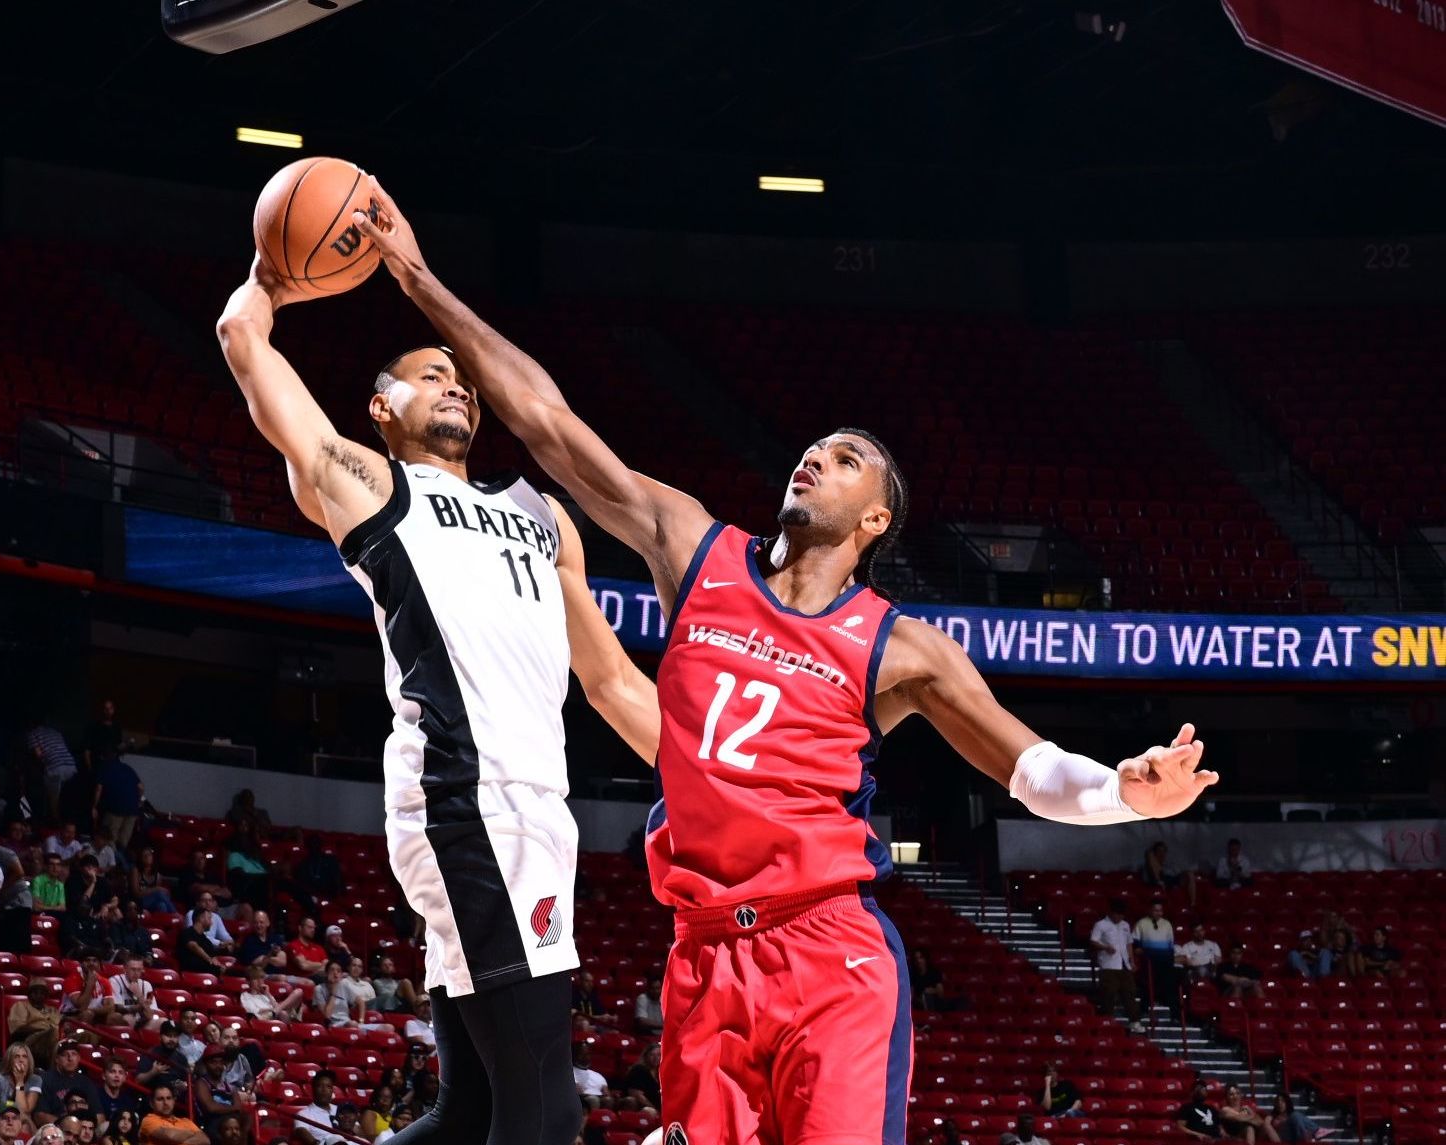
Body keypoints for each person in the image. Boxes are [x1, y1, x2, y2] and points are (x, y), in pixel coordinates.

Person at [348, 176, 1218, 1144]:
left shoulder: (901, 644)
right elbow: (550, 427)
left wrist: (1124, 793)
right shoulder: (694, 550)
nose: (814, 457)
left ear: (876, 516)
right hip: (702, 954)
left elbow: (1029, 770)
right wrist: (417, 277)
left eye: (844, 458)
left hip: (826, 948)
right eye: (812, 447)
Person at [218, 233, 666, 1145]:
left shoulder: (544, 514)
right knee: (547, 1113)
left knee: (469, 1114)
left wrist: (726, 782)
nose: (456, 382)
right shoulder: (368, 483)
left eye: (460, 376)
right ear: (382, 407)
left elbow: (614, 679)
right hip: (465, 800)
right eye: (430, 373)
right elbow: (241, 338)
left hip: (540, 808)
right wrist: (275, 273)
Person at [1091, 899, 1143, 1033]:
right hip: (1109, 965)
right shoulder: (1100, 925)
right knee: (1109, 993)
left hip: (1124, 964)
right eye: (1118, 915)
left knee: (1129, 992)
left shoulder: (1125, 925)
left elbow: (1129, 944)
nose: (1120, 918)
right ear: (1112, 913)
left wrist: (1131, 961)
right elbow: (1093, 940)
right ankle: (1107, 1020)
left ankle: (1134, 1021)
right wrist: (1105, 947)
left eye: (1122, 915)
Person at [1132, 899, 1179, 1019]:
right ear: (1150, 910)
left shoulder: (1167, 924)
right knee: (1147, 985)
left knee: (1169, 984)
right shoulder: (1141, 923)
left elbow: (1171, 944)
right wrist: (1139, 951)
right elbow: (1135, 943)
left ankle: (1172, 1012)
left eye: (1160, 910)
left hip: (1165, 961)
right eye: (1156, 910)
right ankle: (1144, 1009)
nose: (1158, 913)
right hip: (1148, 960)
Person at [90, 752, 142, 852]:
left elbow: (98, 788)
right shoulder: (128, 768)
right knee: (123, 841)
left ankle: (111, 862)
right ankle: (120, 863)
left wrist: (94, 806)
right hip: (132, 810)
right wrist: (138, 801)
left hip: (115, 810)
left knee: (109, 840)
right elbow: (140, 787)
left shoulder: (105, 769)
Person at [8, 982, 63, 1065]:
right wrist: (41, 1030)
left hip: (55, 1038)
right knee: (52, 1033)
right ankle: (53, 1068)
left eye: (42, 993)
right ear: (29, 994)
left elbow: (60, 1023)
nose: (39, 995)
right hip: (30, 1040)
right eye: (35, 992)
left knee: (86, 1035)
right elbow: (17, 1030)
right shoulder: (21, 1006)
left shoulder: (52, 1010)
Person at [137, 1083, 207, 1145]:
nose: (165, 1103)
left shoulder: (186, 1121)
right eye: (160, 1099)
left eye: (169, 1098)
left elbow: (205, 1140)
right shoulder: (148, 1120)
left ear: (174, 1101)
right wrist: (193, 1134)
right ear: (152, 1104)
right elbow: (170, 1136)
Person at [61, 954, 117, 1027]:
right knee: (87, 1014)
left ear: (99, 964)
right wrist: (90, 984)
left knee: (116, 1017)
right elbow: (81, 1007)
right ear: (81, 963)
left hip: (95, 1014)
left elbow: (111, 1008)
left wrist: (92, 1010)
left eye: (95, 961)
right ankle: (84, 1037)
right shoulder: (72, 979)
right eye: (87, 960)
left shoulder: (104, 981)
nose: (91, 963)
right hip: (71, 1015)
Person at [133, 1024, 189, 1096]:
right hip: (153, 1097)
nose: (172, 1039)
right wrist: (153, 1072)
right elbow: (138, 1080)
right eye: (168, 1036)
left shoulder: (182, 1058)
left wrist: (184, 1085)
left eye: (175, 1036)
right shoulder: (150, 1054)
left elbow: (187, 1082)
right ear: (160, 1037)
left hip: (175, 1099)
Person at [109, 956, 164, 1030]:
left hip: (143, 1021)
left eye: (139, 970)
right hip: (125, 1018)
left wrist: (140, 996)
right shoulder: (115, 981)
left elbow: (150, 1014)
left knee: (163, 1021)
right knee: (127, 1018)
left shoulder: (147, 985)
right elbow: (117, 1008)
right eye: (133, 969)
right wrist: (140, 1007)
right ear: (125, 968)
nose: (136, 973)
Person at [239, 964, 305, 1022]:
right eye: (255, 979)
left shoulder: (266, 995)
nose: (259, 981)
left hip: (276, 1016)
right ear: (248, 981)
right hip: (263, 1019)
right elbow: (254, 1011)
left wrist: (268, 994)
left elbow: (276, 1007)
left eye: (261, 978)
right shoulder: (245, 996)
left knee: (299, 991)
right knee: (282, 1013)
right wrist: (272, 1010)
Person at [0, 1044, 43, 1119]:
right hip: (3, 1120)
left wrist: (20, 1082)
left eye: (24, 1056)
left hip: (24, 1121)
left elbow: (24, 1111)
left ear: (29, 1061)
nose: (21, 1060)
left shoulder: (35, 1080)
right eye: (16, 1056)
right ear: (9, 1060)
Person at [293, 1071, 343, 1145]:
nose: (324, 1090)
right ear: (313, 1090)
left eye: (328, 1086)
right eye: (320, 1086)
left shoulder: (340, 1109)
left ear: (332, 1090)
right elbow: (301, 1130)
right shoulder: (304, 1114)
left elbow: (356, 1129)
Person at [283, 919, 327, 984]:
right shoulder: (293, 946)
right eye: (309, 927)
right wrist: (321, 964)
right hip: (300, 981)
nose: (313, 930)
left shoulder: (319, 948)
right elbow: (303, 966)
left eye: (314, 928)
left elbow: (327, 966)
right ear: (300, 928)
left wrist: (309, 964)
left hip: (318, 978)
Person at [622, 1044, 661, 1117]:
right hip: (644, 1106)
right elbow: (636, 1094)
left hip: (659, 1106)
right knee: (649, 1111)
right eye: (652, 1055)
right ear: (646, 1056)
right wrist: (654, 1108)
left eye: (659, 1055)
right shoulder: (639, 1070)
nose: (656, 1058)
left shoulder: (661, 1072)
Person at [571, 1043, 609, 1111]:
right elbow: (578, 1091)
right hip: (582, 1100)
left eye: (587, 1054)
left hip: (598, 1098)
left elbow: (606, 1093)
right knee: (593, 1099)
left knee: (608, 1100)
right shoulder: (570, 1073)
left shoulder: (597, 1075)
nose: (587, 1057)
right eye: (582, 1054)